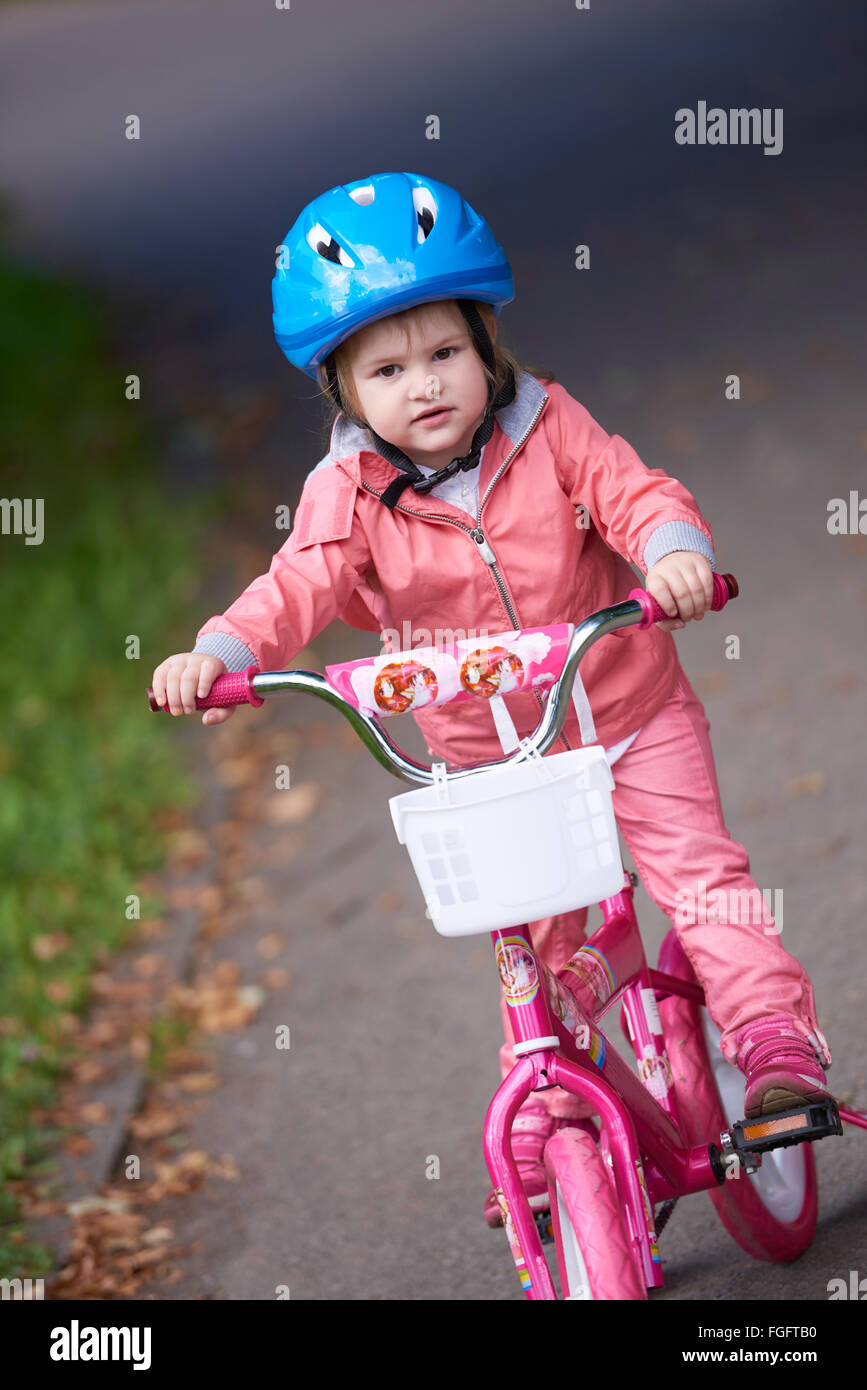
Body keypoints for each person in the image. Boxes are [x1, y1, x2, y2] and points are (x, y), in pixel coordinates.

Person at [150, 171, 833, 1228]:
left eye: (444, 352)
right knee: (536, 948)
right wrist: (221, 648)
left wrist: (673, 551)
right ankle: (553, 1124)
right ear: (340, 388)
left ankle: (773, 1047)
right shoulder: (348, 495)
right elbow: (298, 583)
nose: (423, 384)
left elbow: (633, 490)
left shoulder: (550, 425)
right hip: (491, 762)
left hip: (626, 708)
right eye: (386, 367)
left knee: (701, 881)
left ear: (486, 343)